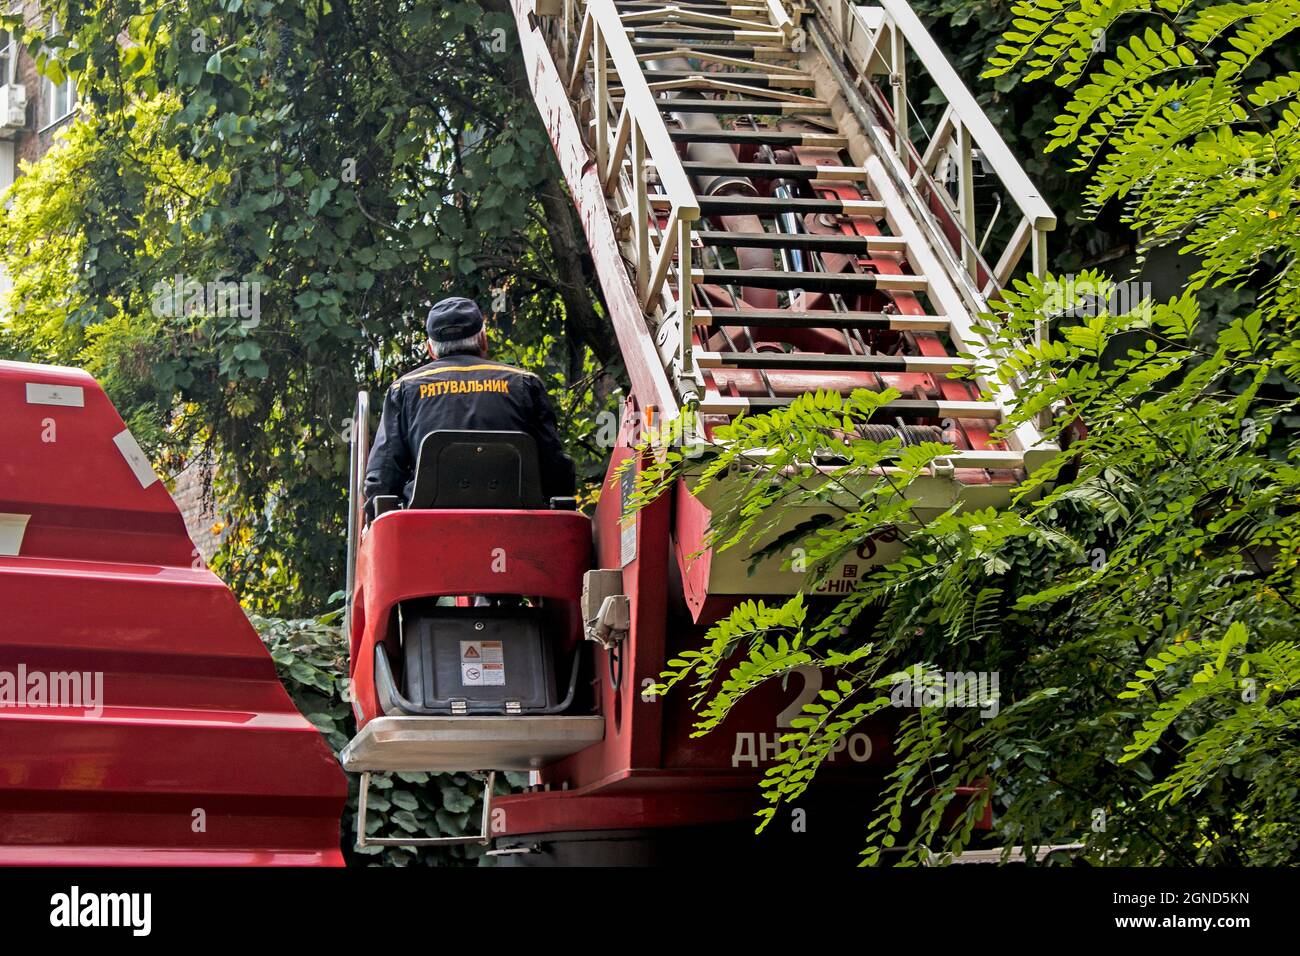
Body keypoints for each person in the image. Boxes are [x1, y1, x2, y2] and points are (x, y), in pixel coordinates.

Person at [364, 296, 576, 505]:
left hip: (426, 528)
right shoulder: (525, 384)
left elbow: (382, 477)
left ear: (431, 349)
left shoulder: (404, 389)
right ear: (484, 339)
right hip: (518, 525)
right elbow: (554, 469)